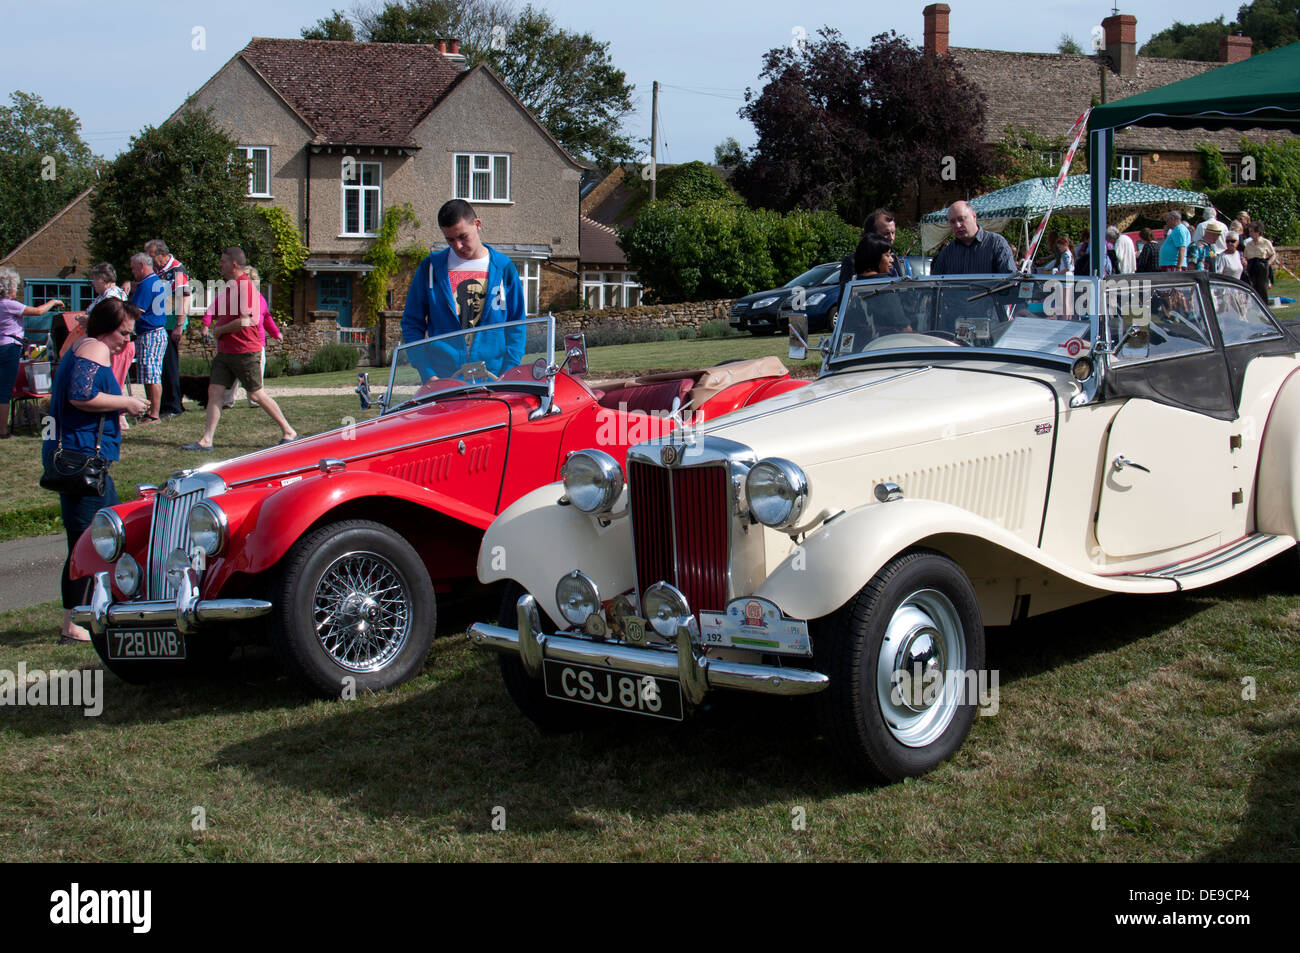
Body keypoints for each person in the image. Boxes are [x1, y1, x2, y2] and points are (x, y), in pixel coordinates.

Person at [44, 297, 150, 642]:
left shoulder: (84, 347)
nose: (127, 341)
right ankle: (74, 623)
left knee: (109, 532)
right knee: (89, 541)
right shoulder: (94, 349)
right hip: (80, 459)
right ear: (106, 328)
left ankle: (104, 610)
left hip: (78, 455)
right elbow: (80, 395)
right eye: (123, 333)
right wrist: (127, 402)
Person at [183, 247, 296, 452]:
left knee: (255, 394)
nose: (219, 265)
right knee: (214, 392)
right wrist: (212, 327)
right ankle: (206, 440)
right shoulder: (230, 288)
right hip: (226, 351)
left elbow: (247, 321)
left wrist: (219, 330)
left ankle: (289, 432)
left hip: (245, 351)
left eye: (223, 261)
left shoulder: (246, 288)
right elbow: (215, 311)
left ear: (234, 264)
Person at [401, 199, 526, 380]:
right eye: (450, 240)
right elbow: (412, 324)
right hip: (443, 380)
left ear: (477, 225)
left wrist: (509, 371)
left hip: (494, 378)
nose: (457, 246)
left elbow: (517, 325)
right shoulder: (430, 268)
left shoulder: (504, 267)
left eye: (463, 237)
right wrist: (427, 373)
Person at [0, 267, 65, 440]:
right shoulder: (9, 304)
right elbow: (38, 312)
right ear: (8, 288)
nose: (16, 290)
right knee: (5, 391)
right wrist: (53, 302)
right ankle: (3, 432)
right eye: (15, 287)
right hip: (9, 348)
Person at [146, 239, 190, 420]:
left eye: (151, 256)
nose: (149, 260)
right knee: (163, 365)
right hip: (161, 323)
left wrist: (179, 325)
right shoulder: (158, 270)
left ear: (162, 255)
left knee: (169, 365)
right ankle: (170, 401)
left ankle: (172, 406)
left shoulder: (177, 270)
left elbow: (184, 298)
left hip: (172, 324)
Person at [128, 252, 167, 422]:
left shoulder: (147, 284)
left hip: (150, 333)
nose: (133, 272)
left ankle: (154, 414)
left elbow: (136, 311)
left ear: (142, 266)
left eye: (134, 268)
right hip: (153, 333)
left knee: (152, 375)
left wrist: (126, 295)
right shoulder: (154, 282)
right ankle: (151, 411)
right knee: (148, 374)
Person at [930, 201, 1016, 275]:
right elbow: (934, 286)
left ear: (974, 216)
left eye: (961, 219)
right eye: (952, 222)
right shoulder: (947, 253)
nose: (957, 225)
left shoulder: (996, 244)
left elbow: (1010, 281)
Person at [840, 208, 908, 286]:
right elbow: (847, 291)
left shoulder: (894, 259)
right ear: (871, 235)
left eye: (893, 233)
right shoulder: (853, 261)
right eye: (886, 233)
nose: (891, 238)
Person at [1243, 222, 1277, 301]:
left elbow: (1273, 254)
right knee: (1253, 286)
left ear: (1258, 232)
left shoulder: (1265, 242)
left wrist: (1268, 263)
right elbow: (1245, 256)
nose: (1250, 233)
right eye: (1249, 231)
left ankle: (1264, 305)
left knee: (1262, 286)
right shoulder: (1248, 244)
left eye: (1251, 231)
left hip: (1262, 265)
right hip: (1251, 265)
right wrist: (1244, 261)